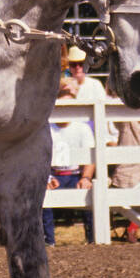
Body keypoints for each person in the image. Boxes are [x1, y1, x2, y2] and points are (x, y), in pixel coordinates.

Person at [42, 87, 95, 245]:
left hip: (75, 175)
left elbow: (90, 159)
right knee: (42, 195)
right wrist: (47, 178)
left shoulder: (82, 129)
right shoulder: (47, 128)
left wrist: (85, 178)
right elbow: (41, 159)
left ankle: (93, 240)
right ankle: (48, 241)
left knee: (90, 192)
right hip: (54, 175)